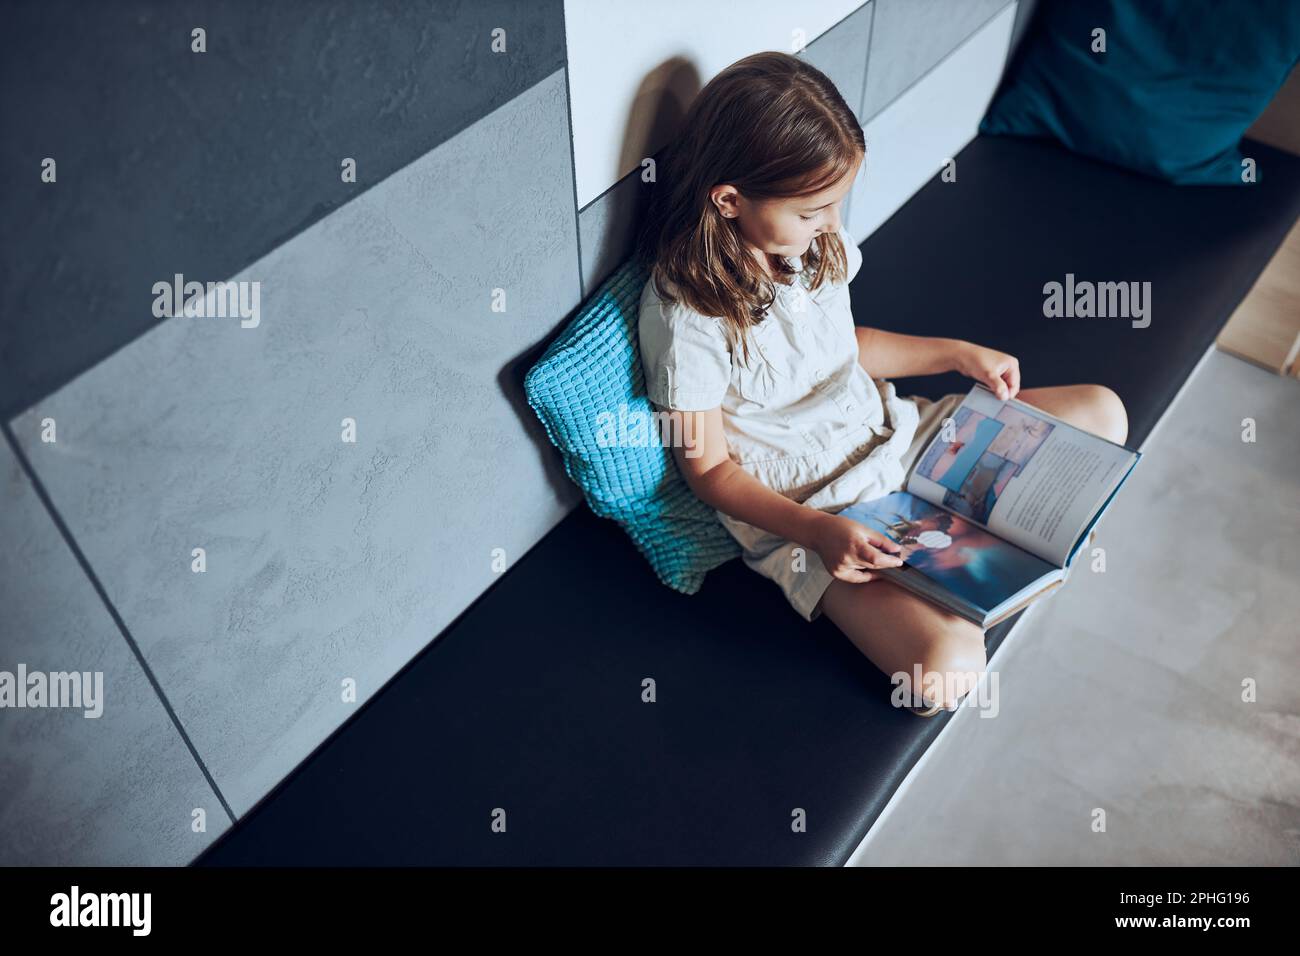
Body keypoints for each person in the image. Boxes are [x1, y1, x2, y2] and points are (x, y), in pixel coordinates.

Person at [635, 51, 1127, 715]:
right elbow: (712, 473)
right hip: (822, 510)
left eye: (837, 205)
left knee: (1103, 414)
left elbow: (848, 350)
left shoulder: (807, 247)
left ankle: (969, 565)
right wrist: (816, 533)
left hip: (899, 433)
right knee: (944, 678)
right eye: (814, 210)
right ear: (728, 200)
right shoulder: (686, 314)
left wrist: (957, 354)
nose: (832, 225)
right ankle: (966, 582)